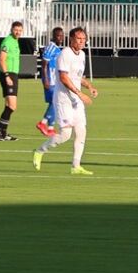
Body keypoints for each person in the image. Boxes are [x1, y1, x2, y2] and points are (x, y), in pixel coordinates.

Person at [32, 26, 95, 175]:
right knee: (65, 135)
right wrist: (80, 94)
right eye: (78, 39)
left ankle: (75, 166)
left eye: (83, 39)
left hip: (76, 99)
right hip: (63, 99)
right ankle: (40, 151)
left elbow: (77, 76)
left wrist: (89, 87)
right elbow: (64, 78)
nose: (81, 42)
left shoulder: (82, 55)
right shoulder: (65, 54)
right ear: (71, 39)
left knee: (81, 131)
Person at [0, 20, 24, 140]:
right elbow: (1, 59)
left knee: (8, 105)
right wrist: (6, 76)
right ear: (11, 30)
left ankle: (3, 133)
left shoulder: (15, 42)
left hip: (13, 74)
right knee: (12, 106)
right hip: (8, 74)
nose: (18, 32)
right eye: (16, 30)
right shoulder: (8, 41)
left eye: (20, 30)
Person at [35, 26, 65, 137]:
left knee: (54, 103)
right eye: (58, 35)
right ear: (53, 36)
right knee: (55, 102)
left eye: (62, 35)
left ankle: (51, 128)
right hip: (50, 79)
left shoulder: (57, 48)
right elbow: (44, 64)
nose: (61, 38)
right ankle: (43, 123)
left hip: (55, 80)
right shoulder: (51, 48)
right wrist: (45, 80)